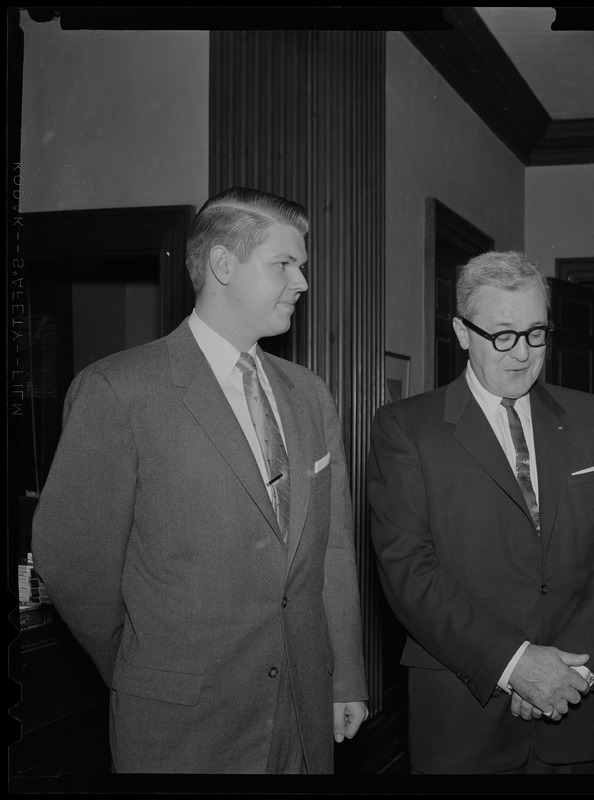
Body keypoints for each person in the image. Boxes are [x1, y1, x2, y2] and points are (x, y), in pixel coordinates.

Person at [32, 187, 369, 773]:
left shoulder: (309, 395)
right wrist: (146, 665)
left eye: (302, 267)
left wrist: (345, 678)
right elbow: (73, 565)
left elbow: (332, 550)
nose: (302, 284)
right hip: (182, 727)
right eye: (284, 265)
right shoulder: (120, 390)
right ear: (222, 265)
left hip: (303, 714)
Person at [367, 251, 594, 774]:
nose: (523, 353)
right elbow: (408, 571)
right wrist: (517, 665)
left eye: (537, 332)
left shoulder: (590, 417)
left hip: (578, 707)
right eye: (502, 335)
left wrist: (571, 670)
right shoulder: (407, 429)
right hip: (466, 715)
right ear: (462, 332)